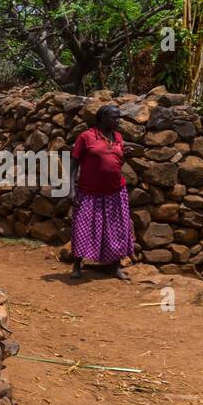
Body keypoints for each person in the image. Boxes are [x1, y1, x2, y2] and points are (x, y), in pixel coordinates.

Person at [68, 104, 135, 279]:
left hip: (115, 192)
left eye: (119, 117)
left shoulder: (118, 137)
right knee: (82, 228)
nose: (117, 121)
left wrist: (125, 155)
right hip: (89, 192)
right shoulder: (86, 137)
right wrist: (71, 189)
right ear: (102, 118)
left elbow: (115, 162)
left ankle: (116, 267)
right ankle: (77, 266)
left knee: (117, 229)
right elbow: (74, 163)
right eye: (114, 117)